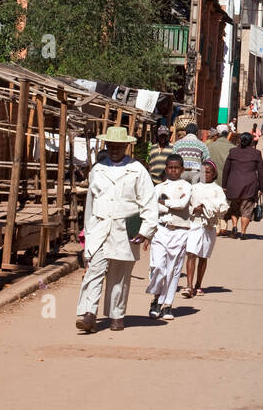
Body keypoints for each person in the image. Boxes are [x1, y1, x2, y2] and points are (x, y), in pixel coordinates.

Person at [75, 127, 157, 333]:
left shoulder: (137, 170)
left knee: (119, 275)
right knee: (94, 269)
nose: (114, 149)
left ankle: (117, 315)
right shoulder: (98, 169)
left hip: (124, 229)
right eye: (111, 146)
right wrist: (88, 231)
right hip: (100, 227)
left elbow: (149, 202)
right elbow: (90, 205)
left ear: (126, 147)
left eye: (118, 146)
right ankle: (88, 314)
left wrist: (146, 229)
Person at [146, 154, 193, 320]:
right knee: (158, 266)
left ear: (182, 169)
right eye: (170, 168)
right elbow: (152, 206)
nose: (173, 170)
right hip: (161, 229)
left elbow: (182, 205)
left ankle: (166, 305)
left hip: (180, 231)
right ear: (166, 169)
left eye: (176, 168)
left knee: (173, 270)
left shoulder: (186, 186)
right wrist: (170, 205)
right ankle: (156, 298)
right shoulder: (159, 188)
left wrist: (164, 204)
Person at [182, 160, 230, 299]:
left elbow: (223, 207)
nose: (205, 174)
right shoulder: (193, 188)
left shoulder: (217, 189)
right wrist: (193, 209)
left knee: (203, 256)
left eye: (208, 172)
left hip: (209, 226)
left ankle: (198, 285)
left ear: (214, 173)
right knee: (191, 253)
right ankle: (189, 286)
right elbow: (185, 205)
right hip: (194, 224)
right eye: (202, 171)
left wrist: (207, 205)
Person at [222, 132, 263, 239]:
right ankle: (243, 232)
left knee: (234, 208)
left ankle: (235, 227)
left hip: (233, 185)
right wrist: (261, 187)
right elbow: (261, 172)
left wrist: (224, 185)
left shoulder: (233, 152)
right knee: (247, 210)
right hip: (249, 186)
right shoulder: (256, 153)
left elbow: (226, 169)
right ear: (251, 141)